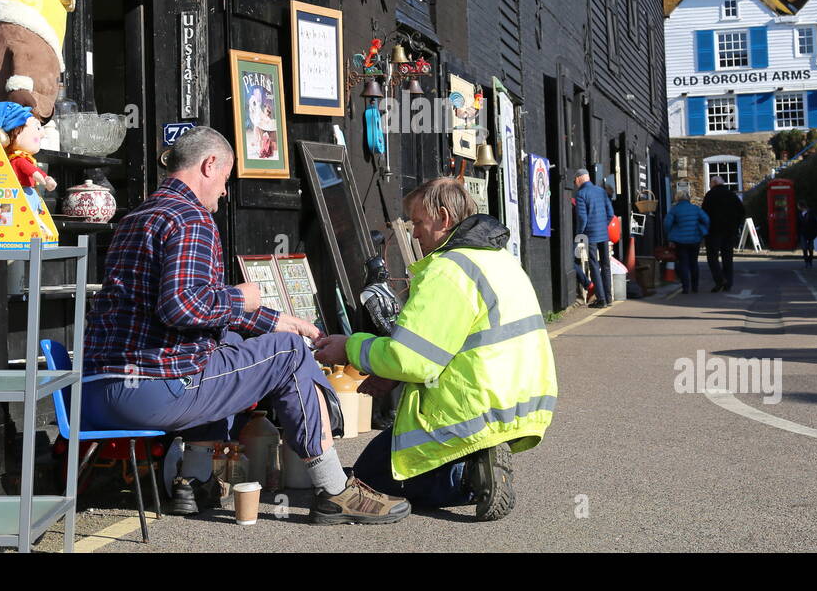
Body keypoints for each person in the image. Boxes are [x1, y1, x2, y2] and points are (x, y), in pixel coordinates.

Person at [82, 126, 410, 525]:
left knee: (227, 346)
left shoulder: (138, 217)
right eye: (224, 179)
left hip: (96, 395)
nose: (224, 191)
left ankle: (195, 479)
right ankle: (334, 490)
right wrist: (242, 297)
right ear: (209, 165)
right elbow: (182, 306)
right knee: (287, 354)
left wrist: (273, 319)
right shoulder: (191, 218)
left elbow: (185, 303)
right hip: (154, 395)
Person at [314, 178, 557, 521]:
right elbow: (452, 345)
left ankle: (467, 475)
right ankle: (476, 462)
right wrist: (392, 376)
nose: (413, 233)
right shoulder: (500, 261)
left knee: (368, 478)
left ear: (443, 218)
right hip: (514, 406)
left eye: (416, 222)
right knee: (377, 465)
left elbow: (410, 359)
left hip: (469, 412)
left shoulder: (447, 269)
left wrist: (350, 348)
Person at [573, 168, 615, 309]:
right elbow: (611, 213)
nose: (575, 183)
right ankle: (609, 298)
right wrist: (603, 226)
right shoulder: (601, 191)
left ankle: (601, 299)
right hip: (603, 233)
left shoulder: (581, 194)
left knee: (594, 266)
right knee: (605, 264)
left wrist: (580, 234)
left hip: (590, 235)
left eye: (575, 181)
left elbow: (582, 218)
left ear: (579, 179)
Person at [701, 176, 745, 292]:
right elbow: (742, 211)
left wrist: (706, 227)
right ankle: (728, 283)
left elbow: (704, 214)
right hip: (729, 231)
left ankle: (719, 280)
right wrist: (735, 226)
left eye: (710, 183)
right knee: (728, 257)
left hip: (713, 231)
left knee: (712, 257)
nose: (710, 184)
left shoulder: (710, 195)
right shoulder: (731, 195)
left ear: (714, 183)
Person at [664, 189, 710, 294]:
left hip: (680, 241)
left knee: (683, 263)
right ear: (688, 198)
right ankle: (695, 287)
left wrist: (670, 236)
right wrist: (703, 230)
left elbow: (667, 224)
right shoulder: (696, 209)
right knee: (694, 262)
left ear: (677, 198)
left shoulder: (674, 210)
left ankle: (685, 288)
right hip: (695, 239)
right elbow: (706, 219)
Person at [795, 200, 817, 268]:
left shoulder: (811, 213)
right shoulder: (799, 214)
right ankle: (807, 262)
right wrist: (797, 233)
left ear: (801, 206)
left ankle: (810, 261)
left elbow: (815, 223)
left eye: (798, 206)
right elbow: (798, 225)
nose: (797, 207)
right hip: (803, 233)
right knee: (804, 248)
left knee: (810, 248)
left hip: (811, 233)